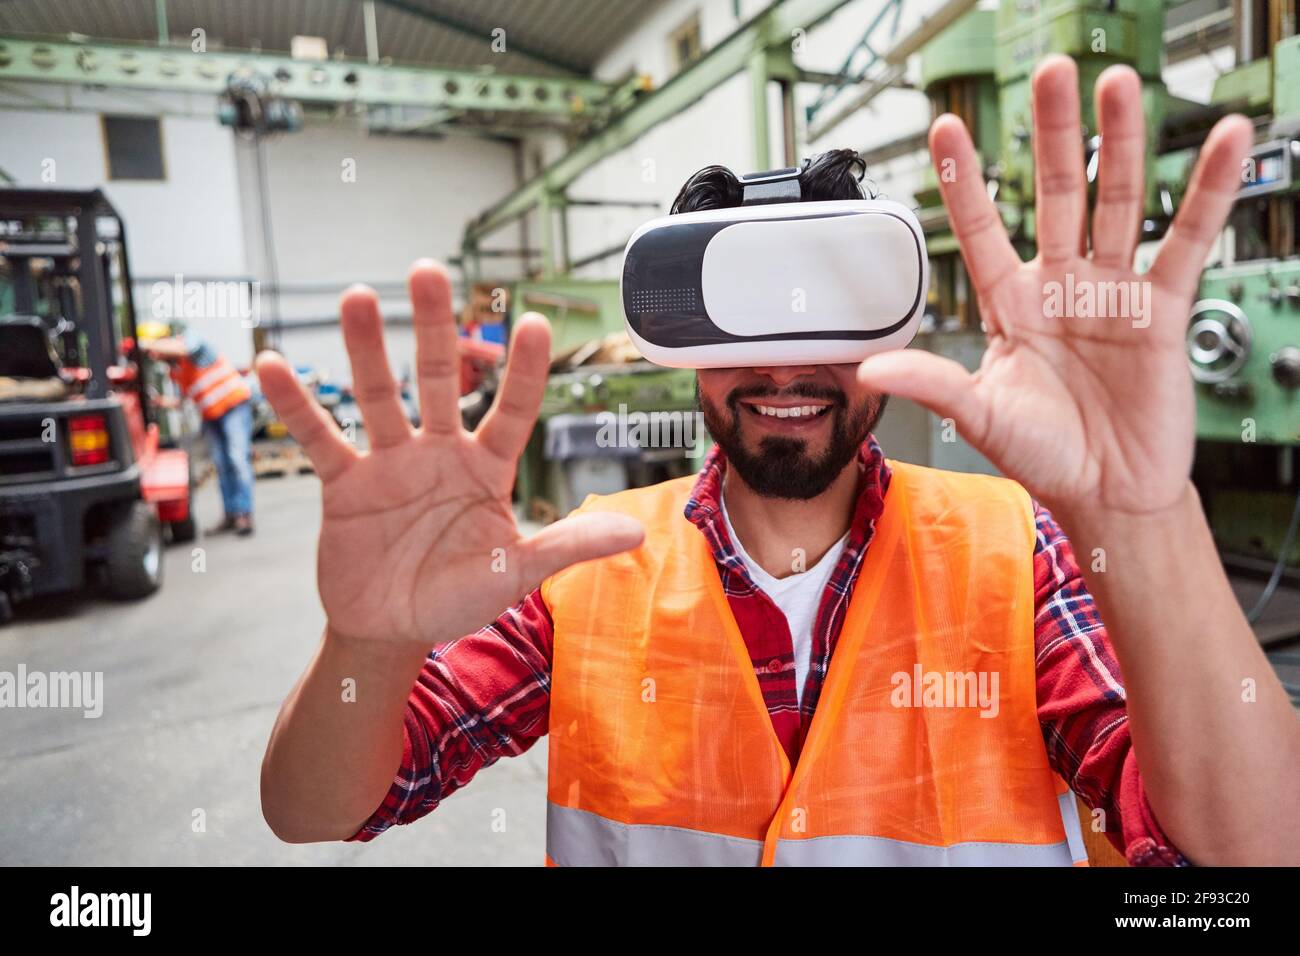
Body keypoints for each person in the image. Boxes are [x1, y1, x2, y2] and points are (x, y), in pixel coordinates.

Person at [256, 57, 1300, 865]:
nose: (785, 363)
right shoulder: (585, 571)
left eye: (831, 305)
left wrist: (1140, 516)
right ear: (682, 345)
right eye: (739, 313)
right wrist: (366, 642)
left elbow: (1251, 848)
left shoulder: (1012, 551)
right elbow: (314, 810)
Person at [139, 323, 255, 536]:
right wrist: (159, 402)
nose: (154, 355)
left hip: (233, 407)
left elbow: (185, 349)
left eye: (156, 349)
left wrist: (145, 344)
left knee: (237, 459)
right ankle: (231, 514)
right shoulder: (175, 370)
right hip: (211, 416)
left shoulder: (191, 342)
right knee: (221, 464)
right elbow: (183, 400)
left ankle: (244, 514)